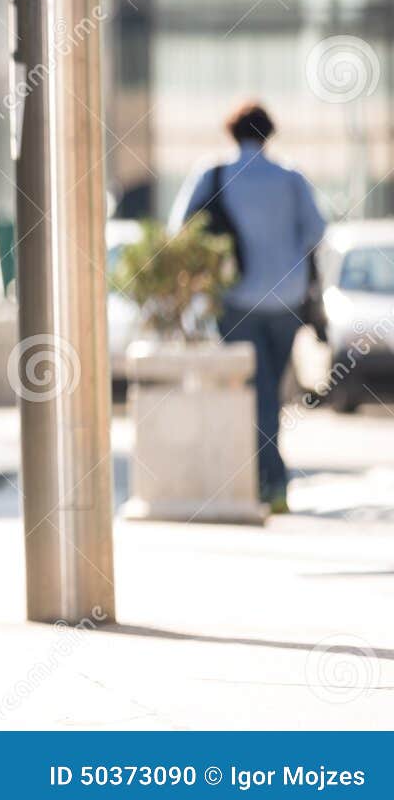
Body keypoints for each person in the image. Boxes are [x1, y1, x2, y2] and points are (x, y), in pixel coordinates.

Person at [170, 101, 327, 514]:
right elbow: (316, 230)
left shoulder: (214, 173)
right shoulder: (291, 178)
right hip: (288, 299)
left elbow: (182, 228)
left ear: (233, 133)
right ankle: (270, 481)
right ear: (268, 134)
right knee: (270, 389)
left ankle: (269, 482)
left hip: (236, 299)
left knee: (256, 393)